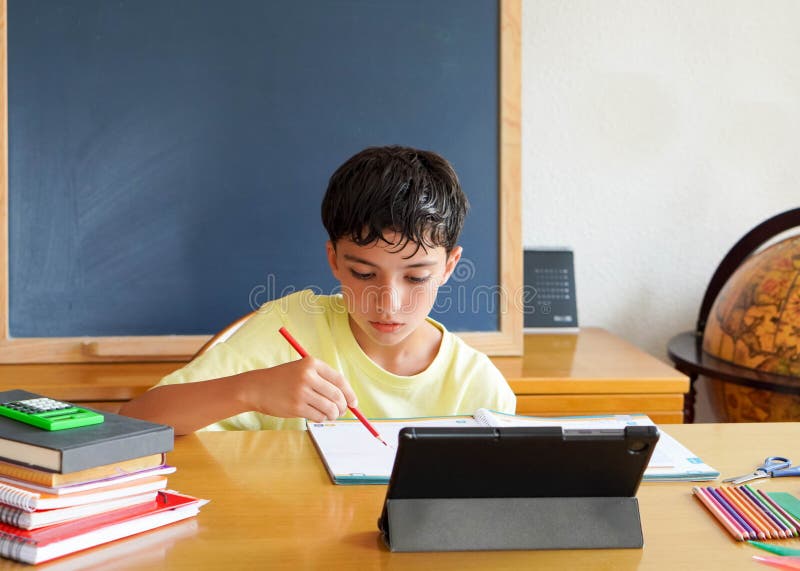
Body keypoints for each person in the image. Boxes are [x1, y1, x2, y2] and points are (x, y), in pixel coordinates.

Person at [120, 145, 515, 434]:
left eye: (415, 277)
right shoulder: (289, 326)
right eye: (363, 273)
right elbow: (134, 424)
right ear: (334, 260)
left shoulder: (478, 386)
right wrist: (250, 389)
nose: (388, 303)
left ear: (449, 267)